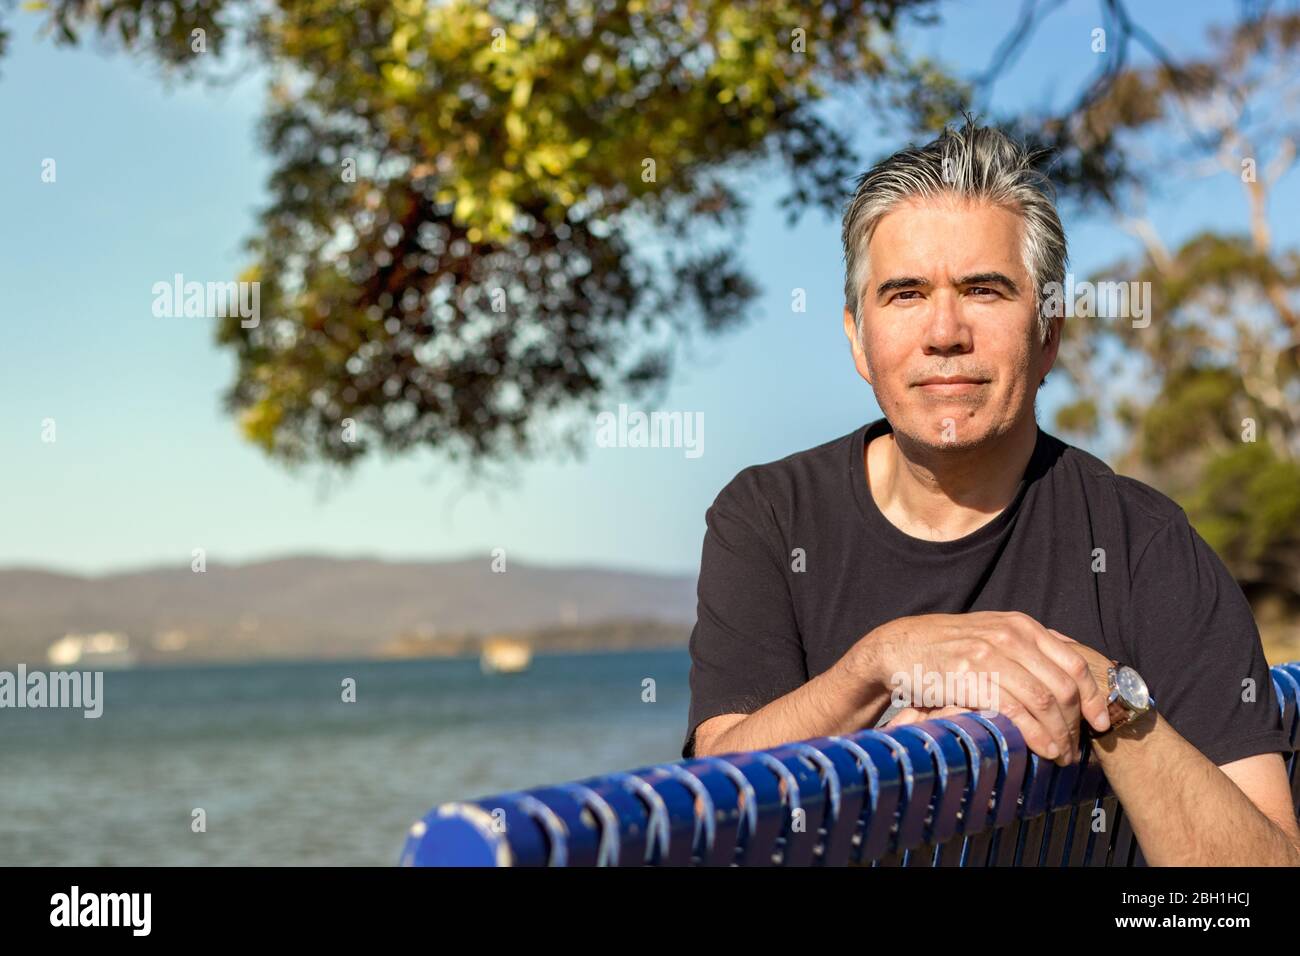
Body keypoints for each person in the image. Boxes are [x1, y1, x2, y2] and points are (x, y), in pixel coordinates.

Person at [682, 118, 1300, 865]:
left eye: (984, 289)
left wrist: (1100, 693)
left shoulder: (1146, 545)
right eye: (905, 293)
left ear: (1048, 335)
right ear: (856, 340)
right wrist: (878, 662)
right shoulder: (769, 519)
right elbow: (717, 801)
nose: (945, 332)